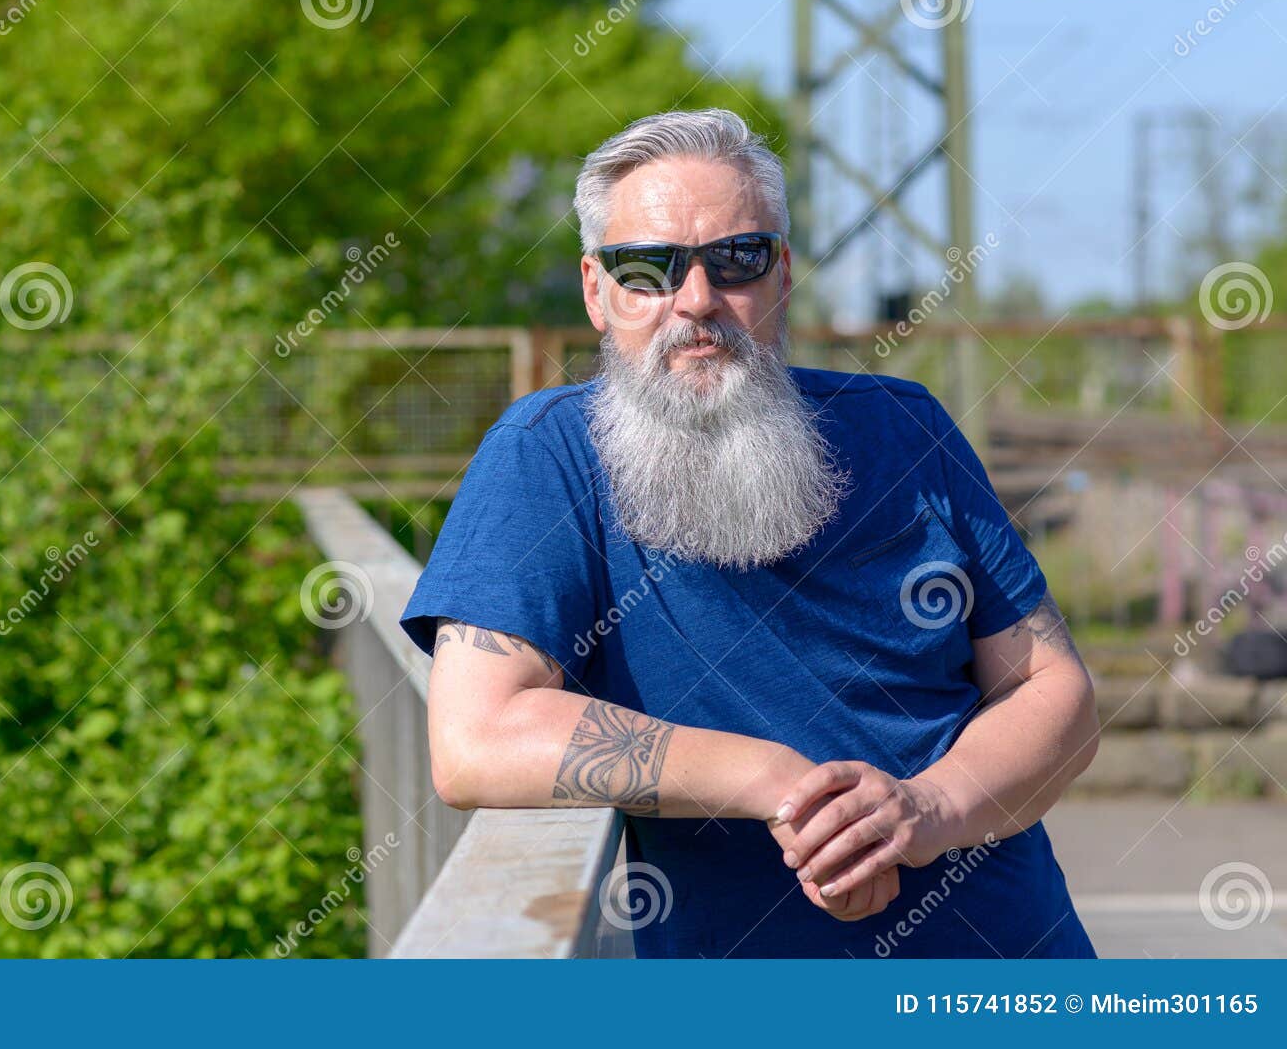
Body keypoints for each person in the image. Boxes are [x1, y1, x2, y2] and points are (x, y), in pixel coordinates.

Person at [399, 108, 1099, 958]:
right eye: (647, 269)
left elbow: (1055, 692)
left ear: (783, 276)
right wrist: (771, 779)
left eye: (736, 259)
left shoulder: (904, 430)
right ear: (595, 290)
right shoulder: (546, 456)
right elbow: (474, 743)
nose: (696, 300)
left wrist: (927, 810)